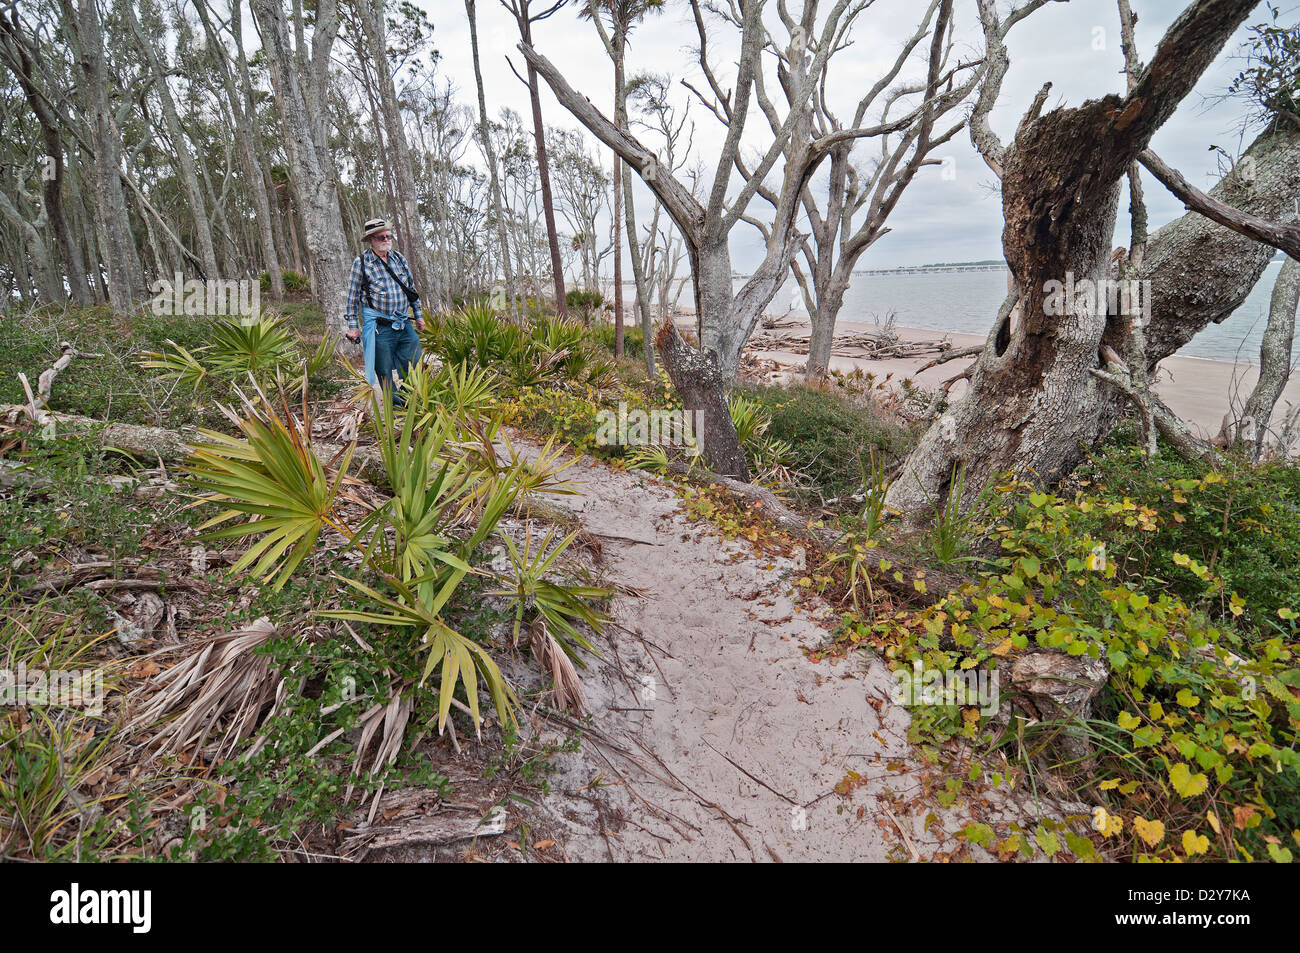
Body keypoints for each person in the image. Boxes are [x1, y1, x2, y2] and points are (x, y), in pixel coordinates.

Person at [345, 217, 425, 403]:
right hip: (380, 328)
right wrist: (353, 326)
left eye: (389, 236)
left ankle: (414, 402)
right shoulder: (362, 263)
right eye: (382, 237)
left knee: (413, 364)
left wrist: (418, 316)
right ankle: (397, 409)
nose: (387, 239)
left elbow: (411, 290)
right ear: (372, 239)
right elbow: (352, 297)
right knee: (384, 370)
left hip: (404, 323)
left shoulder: (399, 259)